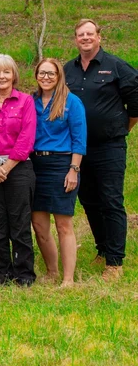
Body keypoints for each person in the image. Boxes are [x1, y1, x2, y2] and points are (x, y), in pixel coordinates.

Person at [63, 18, 138, 281]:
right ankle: (103, 249)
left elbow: (135, 102)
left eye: (90, 33)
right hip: (78, 150)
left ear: (99, 37)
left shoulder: (115, 66)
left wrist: (120, 127)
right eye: (80, 34)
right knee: (89, 201)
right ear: (75, 39)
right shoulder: (67, 70)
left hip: (109, 146)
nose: (85, 38)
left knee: (111, 201)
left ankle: (115, 262)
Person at [0, 54, 38, 286]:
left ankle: (24, 274)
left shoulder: (25, 101)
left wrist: (7, 166)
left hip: (19, 168)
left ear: (14, 75)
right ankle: (1, 273)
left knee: (20, 223)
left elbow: (27, 136)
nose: (1, 76)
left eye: (6, 72)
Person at [31, 59, 87, 286]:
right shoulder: (31, 102)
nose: (46, 77)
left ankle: (68, 278)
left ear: (59, 76)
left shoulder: (72, 102)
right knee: (39, 225)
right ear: (36, 75)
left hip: (62, 165)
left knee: (63, 224)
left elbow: (79, 139)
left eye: (51, 73)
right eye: (42, 73)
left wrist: (74, 169)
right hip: (35, 165)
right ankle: (52, 271)